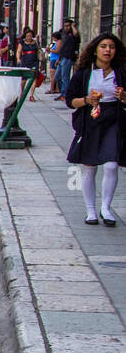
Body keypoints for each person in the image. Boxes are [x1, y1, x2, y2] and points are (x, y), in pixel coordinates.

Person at [64, 32, 126, 226]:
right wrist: (87, 100)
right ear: (95, 50)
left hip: (113, 120)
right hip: (90, 120)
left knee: (111, 165)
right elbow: (70, 101)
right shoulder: (84, 73)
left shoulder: (121, 73)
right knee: (89, 167)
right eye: (104, 46)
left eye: (112, 47)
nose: (108, 50)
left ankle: (106, 208)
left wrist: (123, 97)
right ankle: (90, 210)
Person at [56, 18, 80, 102]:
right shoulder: (64, 34)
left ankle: (65, 94)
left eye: (68, 26)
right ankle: (62, 92)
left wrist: (73, 26)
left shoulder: (73, 35)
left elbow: (76, 34)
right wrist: (58, 59)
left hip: (68, 58)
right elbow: (62, 47)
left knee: (64, 77)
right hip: (62, 57)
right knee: (57, 77)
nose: (66, 28)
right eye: (65, 26)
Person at [18, 27, 41, 101]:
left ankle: (31, 95)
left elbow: (38, 51)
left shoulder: (36, 42)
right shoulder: (22, 42)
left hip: (34, 61)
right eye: (27, 36)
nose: (29, 37)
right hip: (25, 61)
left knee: (34, 78)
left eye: (30, 36)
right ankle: (22, 93)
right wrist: (18, 58)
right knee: (24, 79)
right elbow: (19, 51)